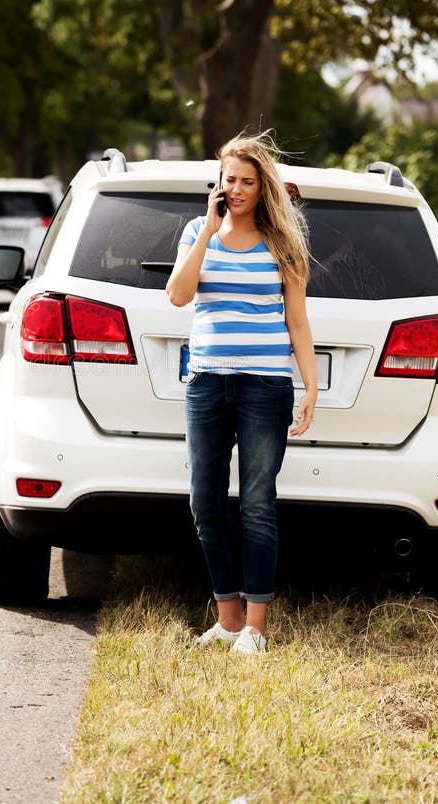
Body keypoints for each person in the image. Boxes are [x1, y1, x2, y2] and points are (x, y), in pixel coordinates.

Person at [166, 131, 317, 655]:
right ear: (218, 180)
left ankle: (256, 628)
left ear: (263, 187)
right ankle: (227, 620)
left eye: (247, 182)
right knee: (204, 500)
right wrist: (208, 232)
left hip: (265, 387)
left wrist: (310, 386)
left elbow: (297, 321)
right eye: (229, 179)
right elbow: (178, 296)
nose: (236, 189)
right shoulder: (194, 231)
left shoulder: (281, 243)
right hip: (206, 382)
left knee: (256, 502)